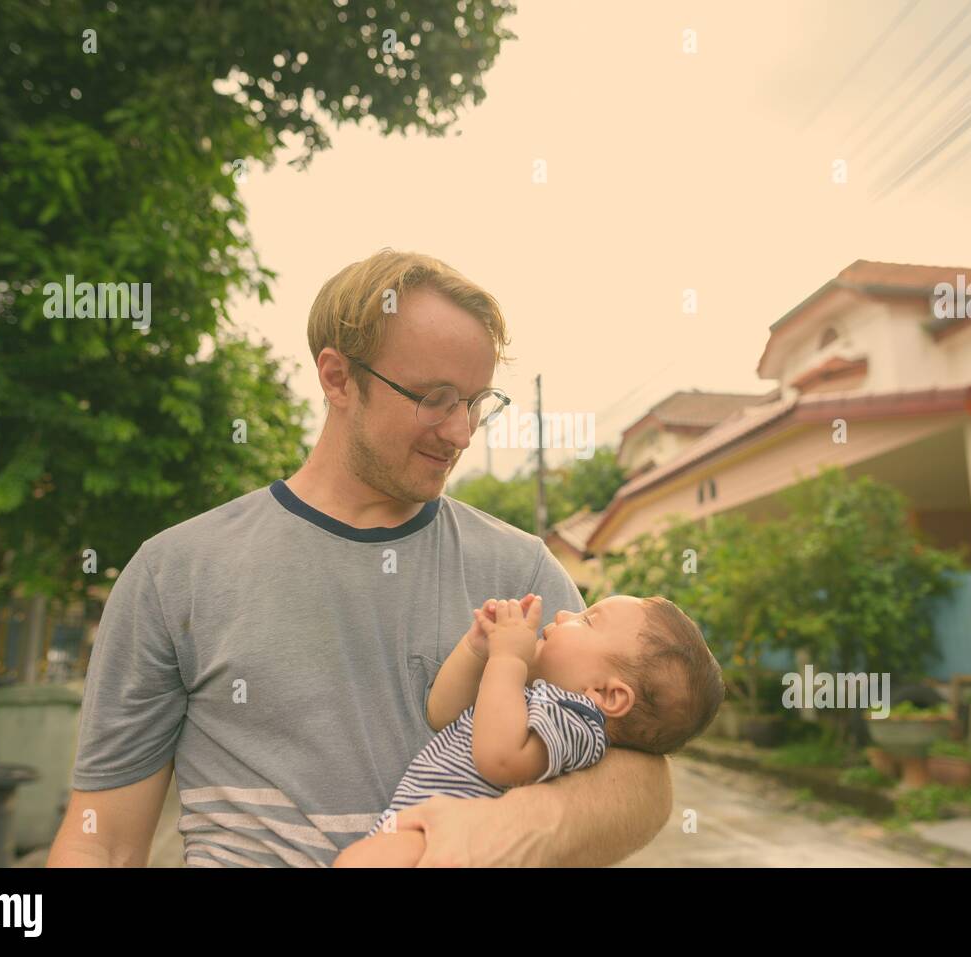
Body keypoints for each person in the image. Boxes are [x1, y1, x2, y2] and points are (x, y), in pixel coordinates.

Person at [48, 249, 674, 867]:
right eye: (435, 397)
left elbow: (640, 779)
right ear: (338, 377)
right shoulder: (174, 573)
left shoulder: (524, 574)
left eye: (477, 402)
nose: (460, 432)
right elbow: (103, 839)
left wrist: (514, 828)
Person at [334, 592, 724, 867]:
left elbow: (499, 759)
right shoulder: (528, 694)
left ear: (607, 694)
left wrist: (507, 660)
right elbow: (442, 713)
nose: (563, 616)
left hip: (447, 843)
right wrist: (478, 651)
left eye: (586, 621)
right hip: (421, 828)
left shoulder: (578, 721)